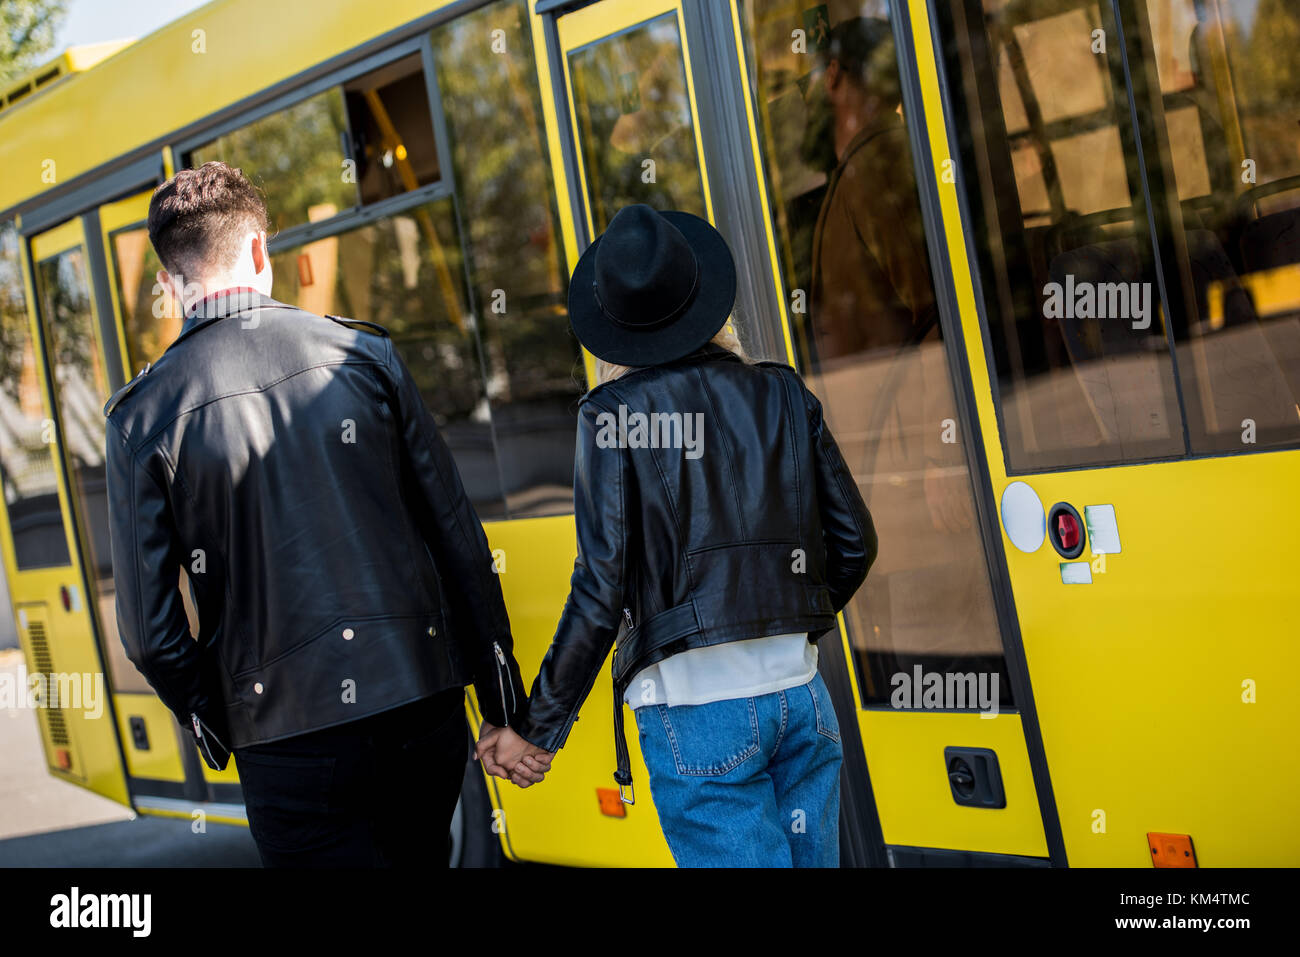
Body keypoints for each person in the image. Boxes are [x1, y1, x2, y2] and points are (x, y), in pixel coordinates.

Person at [103, 161, 539, 867]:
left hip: (283, 737)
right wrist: (500, 701)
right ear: (258, 251)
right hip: (416, 706)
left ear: (167, 283)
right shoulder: (364, 356)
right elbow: (457, 538)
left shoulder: (140, 418)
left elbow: (152, 637)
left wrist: (221, 714)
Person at [477, 204, 876, 867]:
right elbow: (854, 543)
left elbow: (600, 590)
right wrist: (781, 616)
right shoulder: (782, 390)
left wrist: (535, 729)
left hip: (696, 711)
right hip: (800, 695)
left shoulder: (611, 415)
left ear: (614, 329)